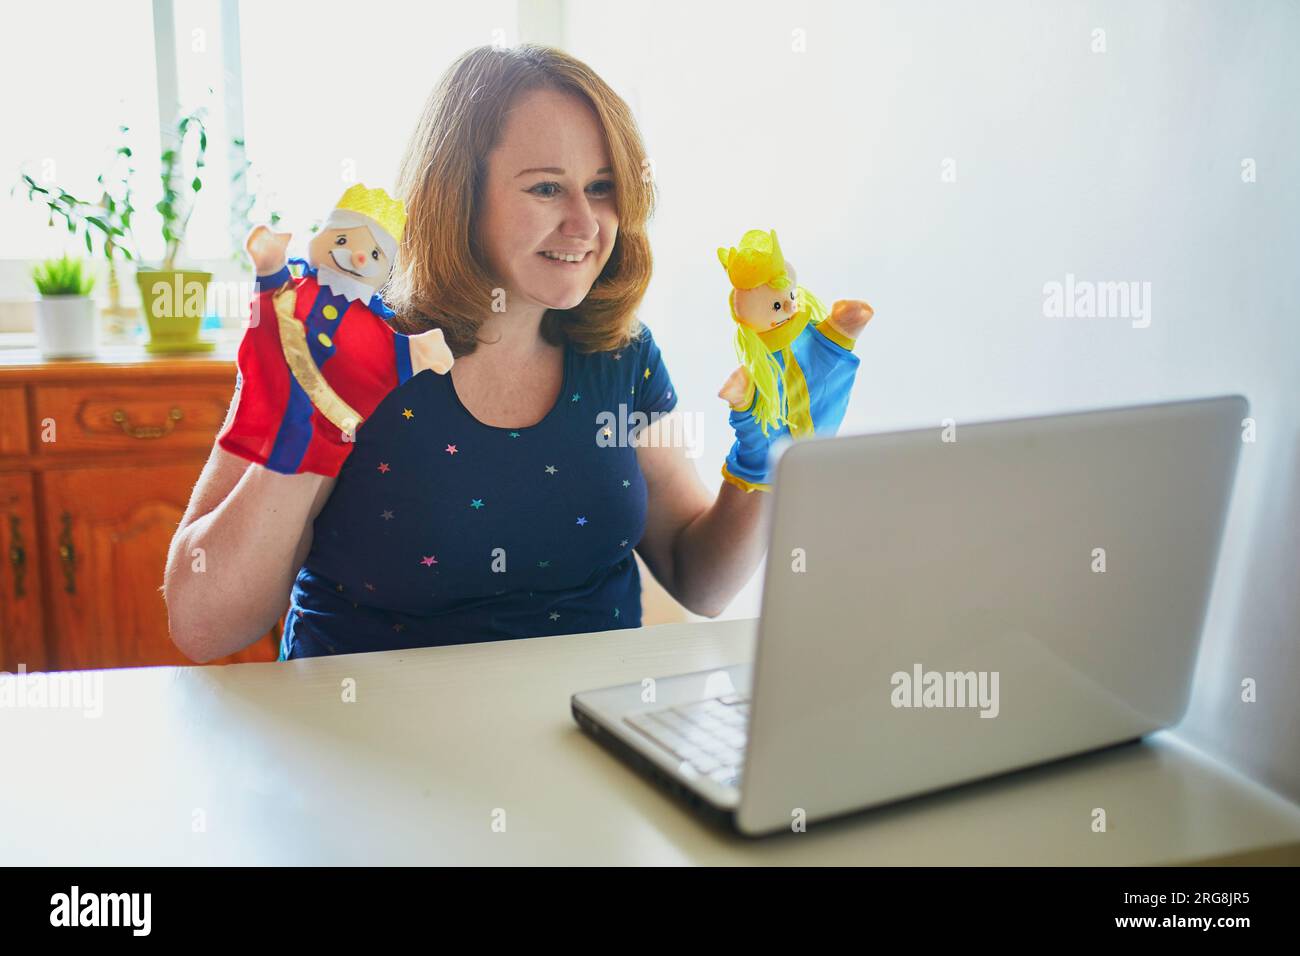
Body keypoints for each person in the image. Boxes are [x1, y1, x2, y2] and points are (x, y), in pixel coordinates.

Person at [163, 44, 871, 662]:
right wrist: (311, 429)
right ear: (457, 196)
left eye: (602, 189)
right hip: (369, 755)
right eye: (546, 188)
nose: (585, 224)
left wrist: (770, 462)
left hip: (586, 741)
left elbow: (701, 578)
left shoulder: (620, 354)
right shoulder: (343, 345)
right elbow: (203, 626)